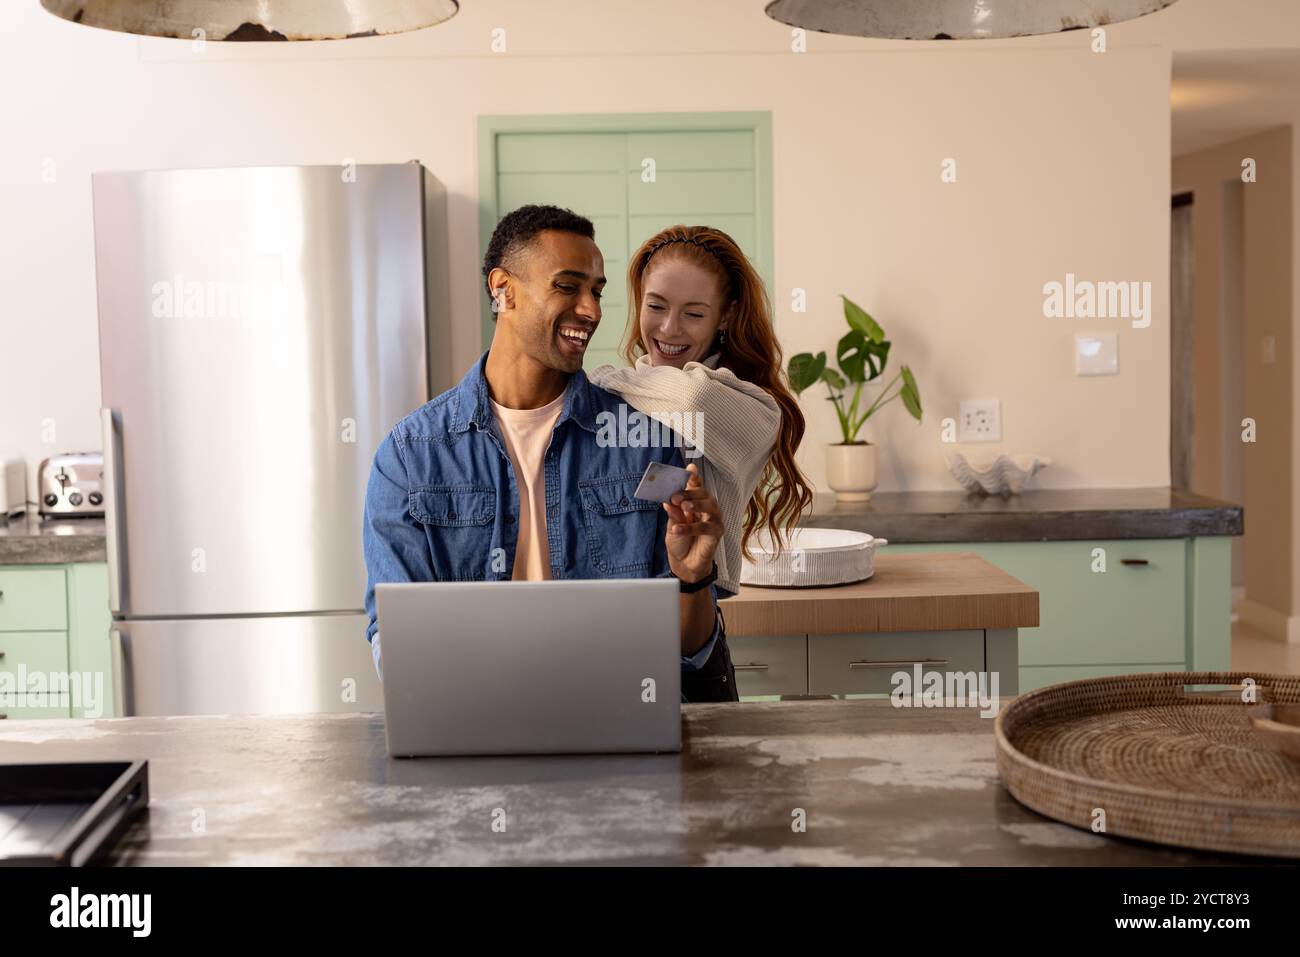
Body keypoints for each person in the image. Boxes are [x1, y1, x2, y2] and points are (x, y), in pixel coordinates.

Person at [362, 205, 739, 702]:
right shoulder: (410, 457)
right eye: (568, 286)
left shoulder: (646, 441)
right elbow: (395, 642)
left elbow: (688, 655)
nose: (592, 309)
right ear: (503, 289)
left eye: (597, 291)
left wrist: (693, 579)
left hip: (618, 730)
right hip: (474, 733)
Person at [588, 225, 813, 598]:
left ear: (725, 317)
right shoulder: (627, 391)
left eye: (693, 314)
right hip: (616, 603)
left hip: (696, 608)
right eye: (656, 305)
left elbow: (694, 398)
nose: (669, 328)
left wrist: (602, 381)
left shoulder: (755, 410)